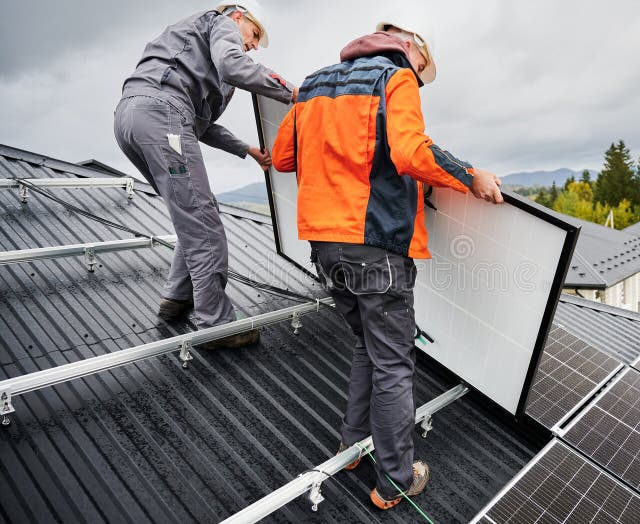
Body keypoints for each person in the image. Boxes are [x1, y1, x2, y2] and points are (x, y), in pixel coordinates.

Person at [271, 20, 503, 510]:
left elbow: (282, 158)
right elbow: (411, 151)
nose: (420, 77)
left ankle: (351, 446)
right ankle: (395, 480)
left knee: (366, 345)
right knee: (394, 363)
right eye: (423, 68)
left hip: (325, 245)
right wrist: (469, 176)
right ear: (411, 49)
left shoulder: (312, 84)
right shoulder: (394, 78)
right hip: (374, 245)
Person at [114, 3, 297, 348]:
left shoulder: (195, 53)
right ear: (238, 17)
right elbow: (233, 66)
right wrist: (292, 91)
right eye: (254, 35)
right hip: (161, 116)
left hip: (130, 118)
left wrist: (247, 149)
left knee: (194, 211)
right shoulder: (221, 24)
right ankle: (216, 324)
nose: (253, 45)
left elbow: (201, 124)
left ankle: (177, 297)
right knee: (203, 221)